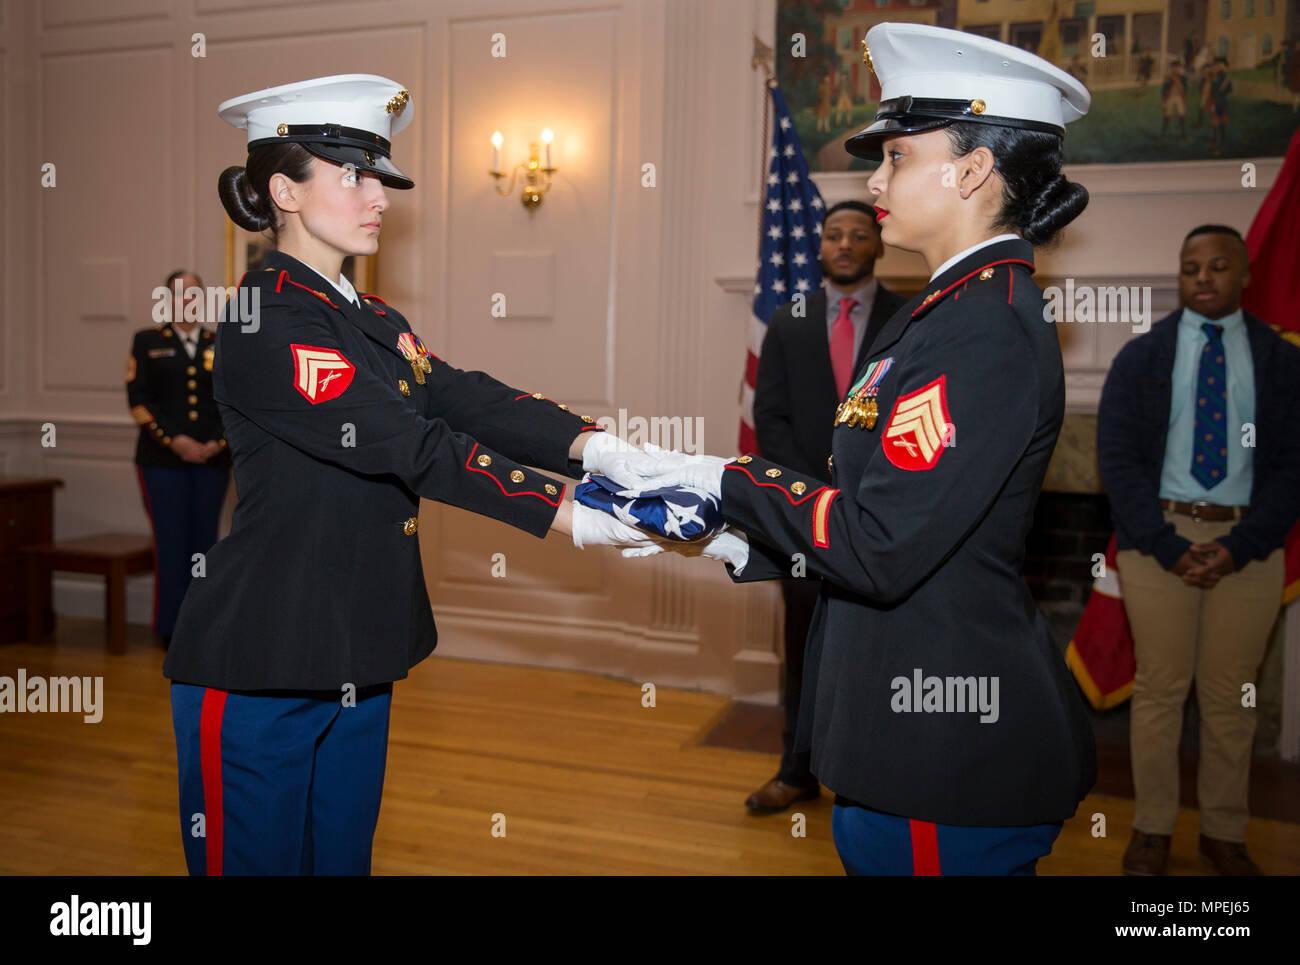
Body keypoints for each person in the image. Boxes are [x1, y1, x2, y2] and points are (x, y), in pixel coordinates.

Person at [607, 23, 1099, 875]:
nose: (875, 181)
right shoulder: (943, 310)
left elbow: (879, 544)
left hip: (941, 752)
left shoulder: (984, 326)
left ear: (973, 169)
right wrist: (729, 535)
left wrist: (723, 478)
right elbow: (880, 505)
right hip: (901, 727)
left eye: (899, 157)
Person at [163, 74, 657, 875]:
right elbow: (409, 444)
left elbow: (467, 398)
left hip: (358, 650)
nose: (378, 196)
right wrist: (578, 514)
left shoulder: (371, 318)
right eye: (351, 174)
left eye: (380, 176)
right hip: (263, 663)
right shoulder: (264, 318)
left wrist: (599, 449)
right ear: (283, 189)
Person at [1098, 224, 1300, 876]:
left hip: (1249, 548)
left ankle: (1224, 833)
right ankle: (1152, 829)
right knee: (1159, 690)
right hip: (1160, 546)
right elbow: (1117, 459)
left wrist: (1240, 545)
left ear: (1243, 275)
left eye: (1218, 266)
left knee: (1231, 695)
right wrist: (1165, 544)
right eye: (1191, 267)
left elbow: (1295, 464)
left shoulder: (1280, 360)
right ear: (1180, 276)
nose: (1203, 277)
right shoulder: (1141, 358)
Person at [745, 200, 904, 813]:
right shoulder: (791, 319)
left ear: (878, 245)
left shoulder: (908, 317)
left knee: (879, 649)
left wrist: (868, 488)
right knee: (805, 645)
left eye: (858, 235)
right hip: (805, 518)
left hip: (882, 515)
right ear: (820, 246)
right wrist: (814, 493)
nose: (844, 244)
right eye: (834, 235)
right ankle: (797, 768)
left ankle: (875, 777)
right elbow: (771, 419)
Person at [126, 271, 231, 648]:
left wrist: (218, 443)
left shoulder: (220, 342)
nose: (187, 301)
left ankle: (200, 628)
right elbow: (138, 401)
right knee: (170, 543)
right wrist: (176, 442)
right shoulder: (148, 341)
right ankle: (170, 629)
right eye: (179, 294)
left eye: (194, 294)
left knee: (205, 545)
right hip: (161, 461)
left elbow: (232, 400)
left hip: (213, 461)